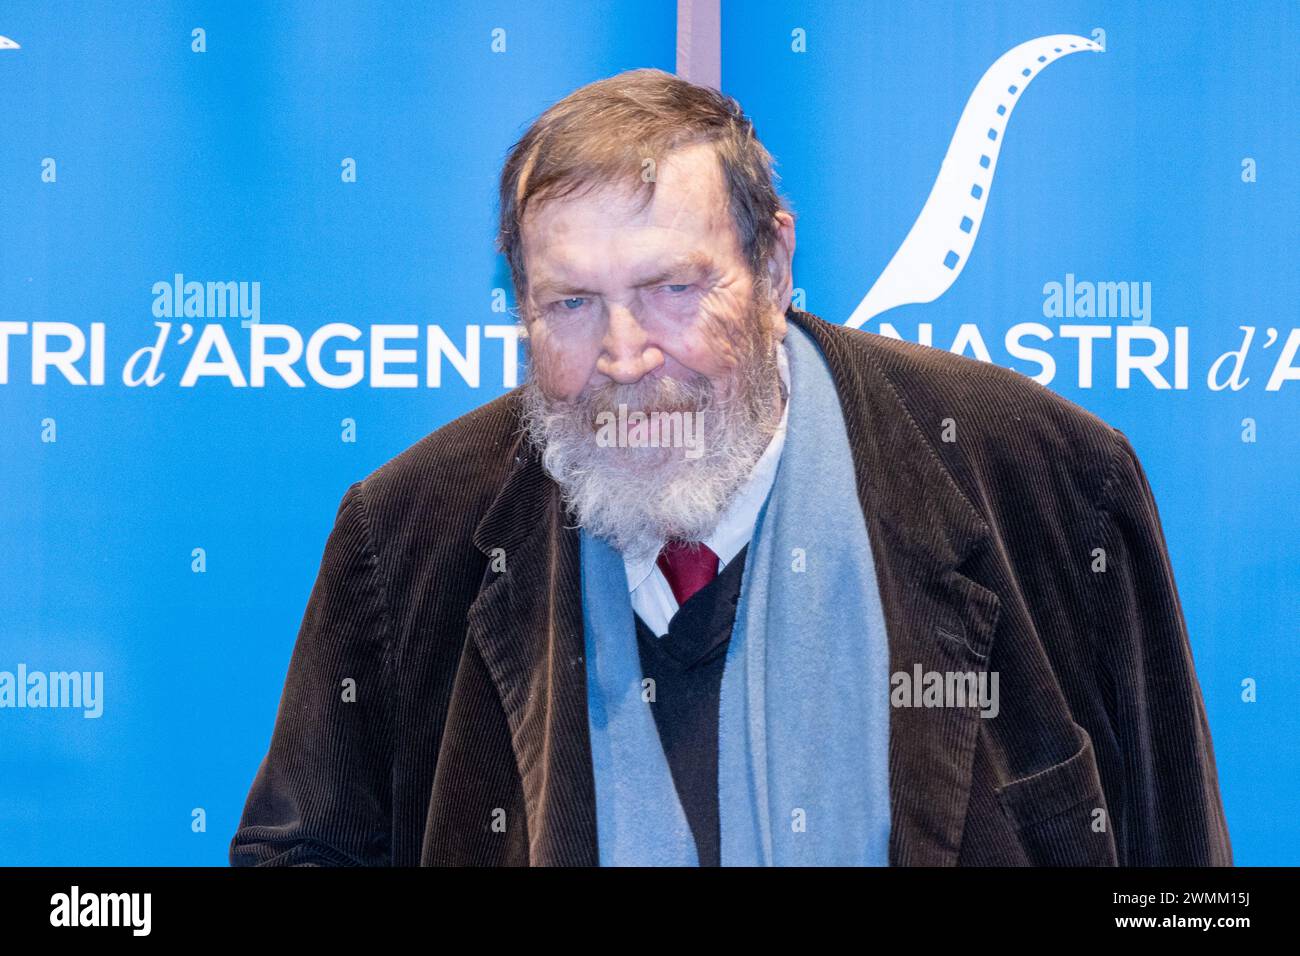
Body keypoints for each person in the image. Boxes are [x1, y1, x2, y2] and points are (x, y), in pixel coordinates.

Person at [229, 67, 1231, 866]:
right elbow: (297, 850)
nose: (623, 358)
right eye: (569, 303)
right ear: (519, 304)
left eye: (671, 288)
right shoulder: (408, 530)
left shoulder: (1047, 483)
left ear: (774, 267)